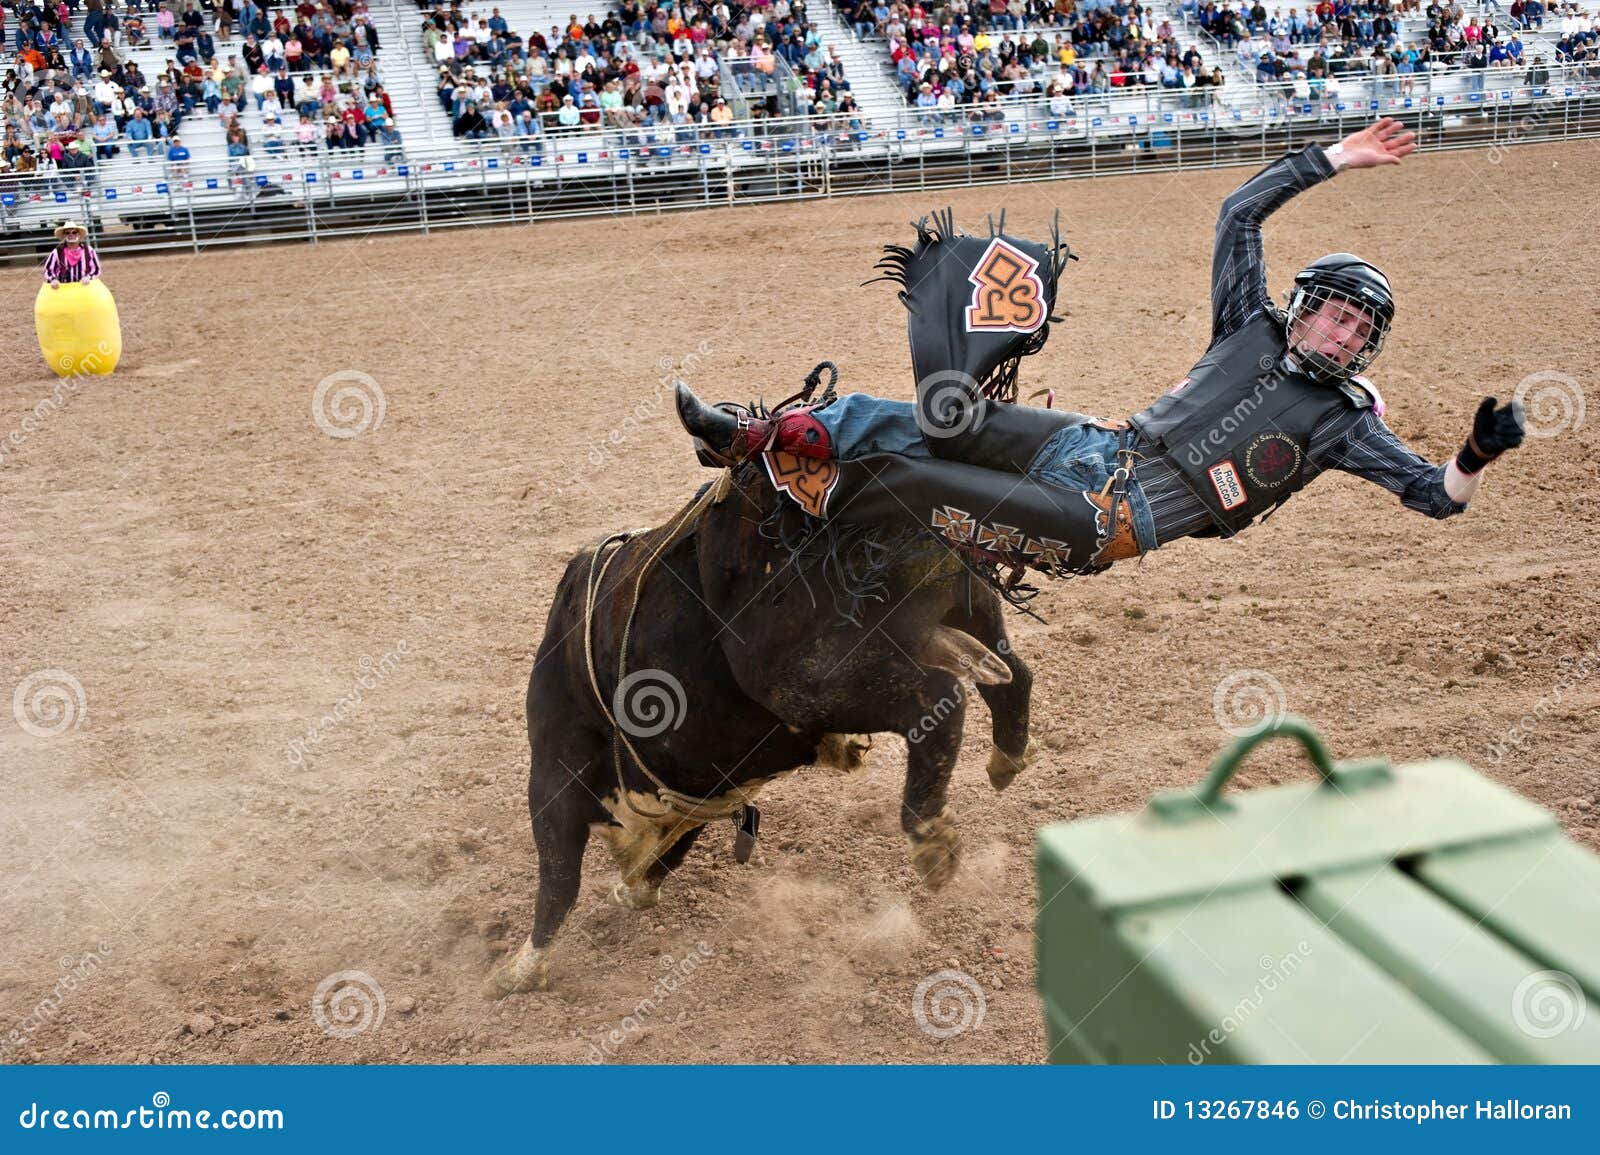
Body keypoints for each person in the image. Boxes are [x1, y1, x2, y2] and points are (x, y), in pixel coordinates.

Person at [675, 119, 1527, 576]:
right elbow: (1240, 213)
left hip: (1113, 519)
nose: (1344, 334)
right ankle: (765, 436)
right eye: (1337, 314)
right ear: (1306, 308)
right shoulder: (1250, 323)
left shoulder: (1343, 422)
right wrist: (1339, 156)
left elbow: (1435, 497)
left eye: (1359, 330)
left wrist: (1475, 453)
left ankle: (820, 516)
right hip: (1097, 444)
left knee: (921, 480)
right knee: (946, 419)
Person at [42, 220, 103, 287]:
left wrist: (88, 277)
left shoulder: (89, 250)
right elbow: (48, 270)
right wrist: (53, 279)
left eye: (74, 232)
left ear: (79, 235)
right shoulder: (57, 252)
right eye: (67, 233)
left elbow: (96, 269)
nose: (71, 234)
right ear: (64, 236)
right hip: (63, 290)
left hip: (85, 289)